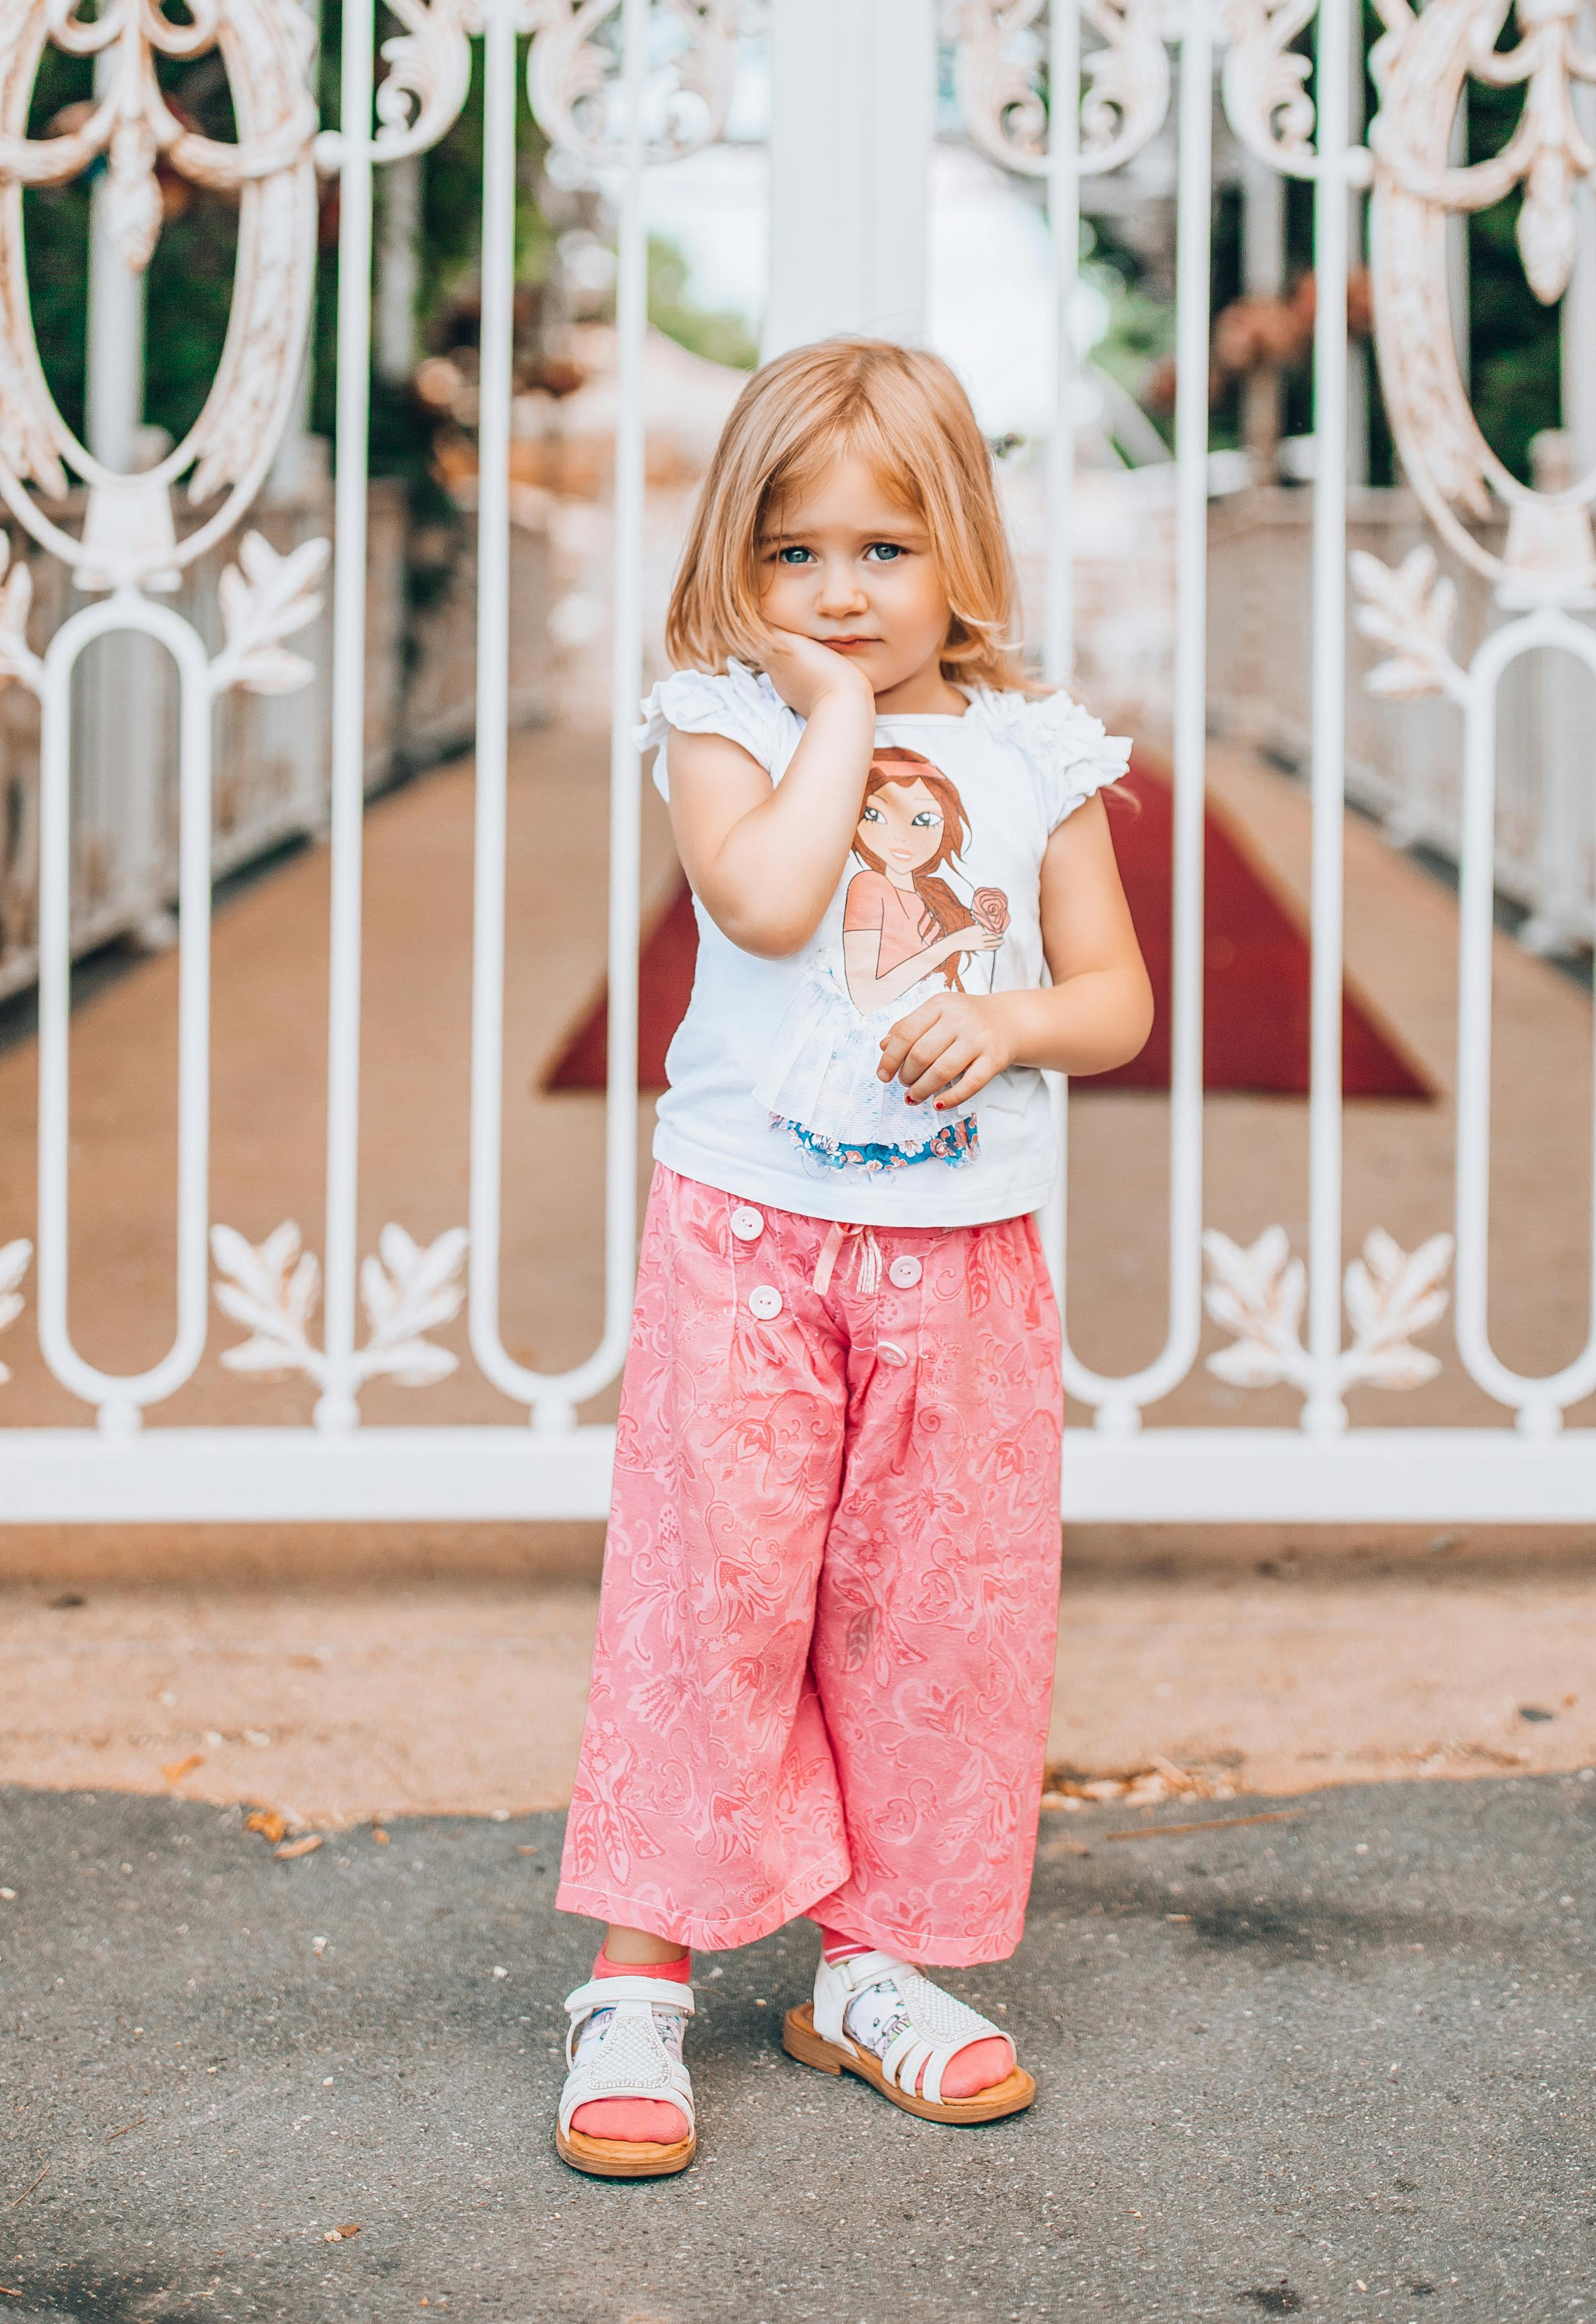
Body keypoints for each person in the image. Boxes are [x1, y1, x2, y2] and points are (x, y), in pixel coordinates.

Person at [551, 336, 1153, 2177]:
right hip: (745, 1238)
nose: (837, 591)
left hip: (956, 1256)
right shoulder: (722, 718)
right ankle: (638, 1975)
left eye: (883, 552)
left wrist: (1012, 1025)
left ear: (959, 546)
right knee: (714, 1595)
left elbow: (1113, 1000)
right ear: (738, 555)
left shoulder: (1032, 752)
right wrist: (834, 717)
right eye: (795, 551)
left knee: (933, 1618)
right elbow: (762, 898)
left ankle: (875, 1962)